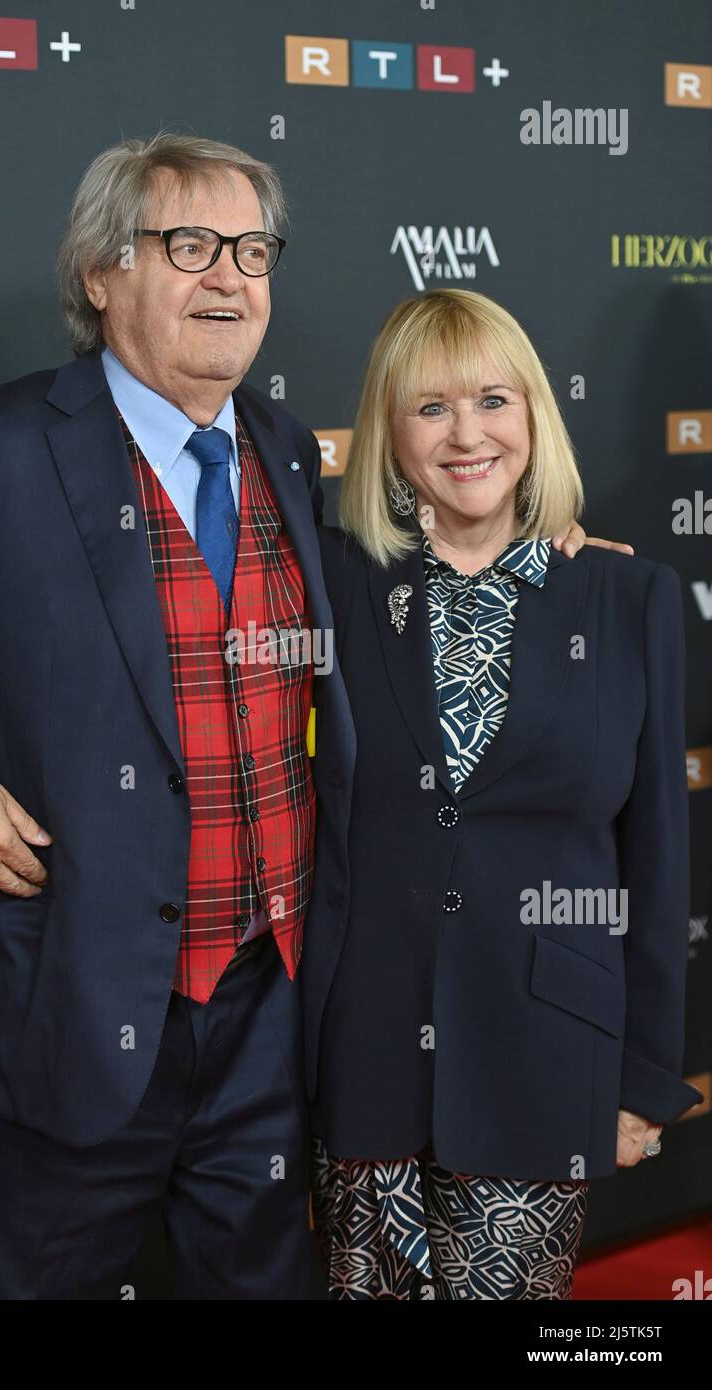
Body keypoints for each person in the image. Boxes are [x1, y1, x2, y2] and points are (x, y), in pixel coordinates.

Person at [0, 135, 607, 1301]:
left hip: (270, 1000)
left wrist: (534, 557)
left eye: (252, 251)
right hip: (71, 997)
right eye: (188, 245)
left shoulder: (285, 451)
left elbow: (413, 568)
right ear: (101, 274)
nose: (230, 279)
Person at [301, 289, 704, 1300]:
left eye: (492, 399)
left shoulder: (627, 599)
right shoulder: (335, 583)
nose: (466, 433)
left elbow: (654, 861)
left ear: (532, 415)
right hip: (365, 1055)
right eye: (428, 408)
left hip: (546, 1050)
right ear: (387, 434)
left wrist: (645, 1081)